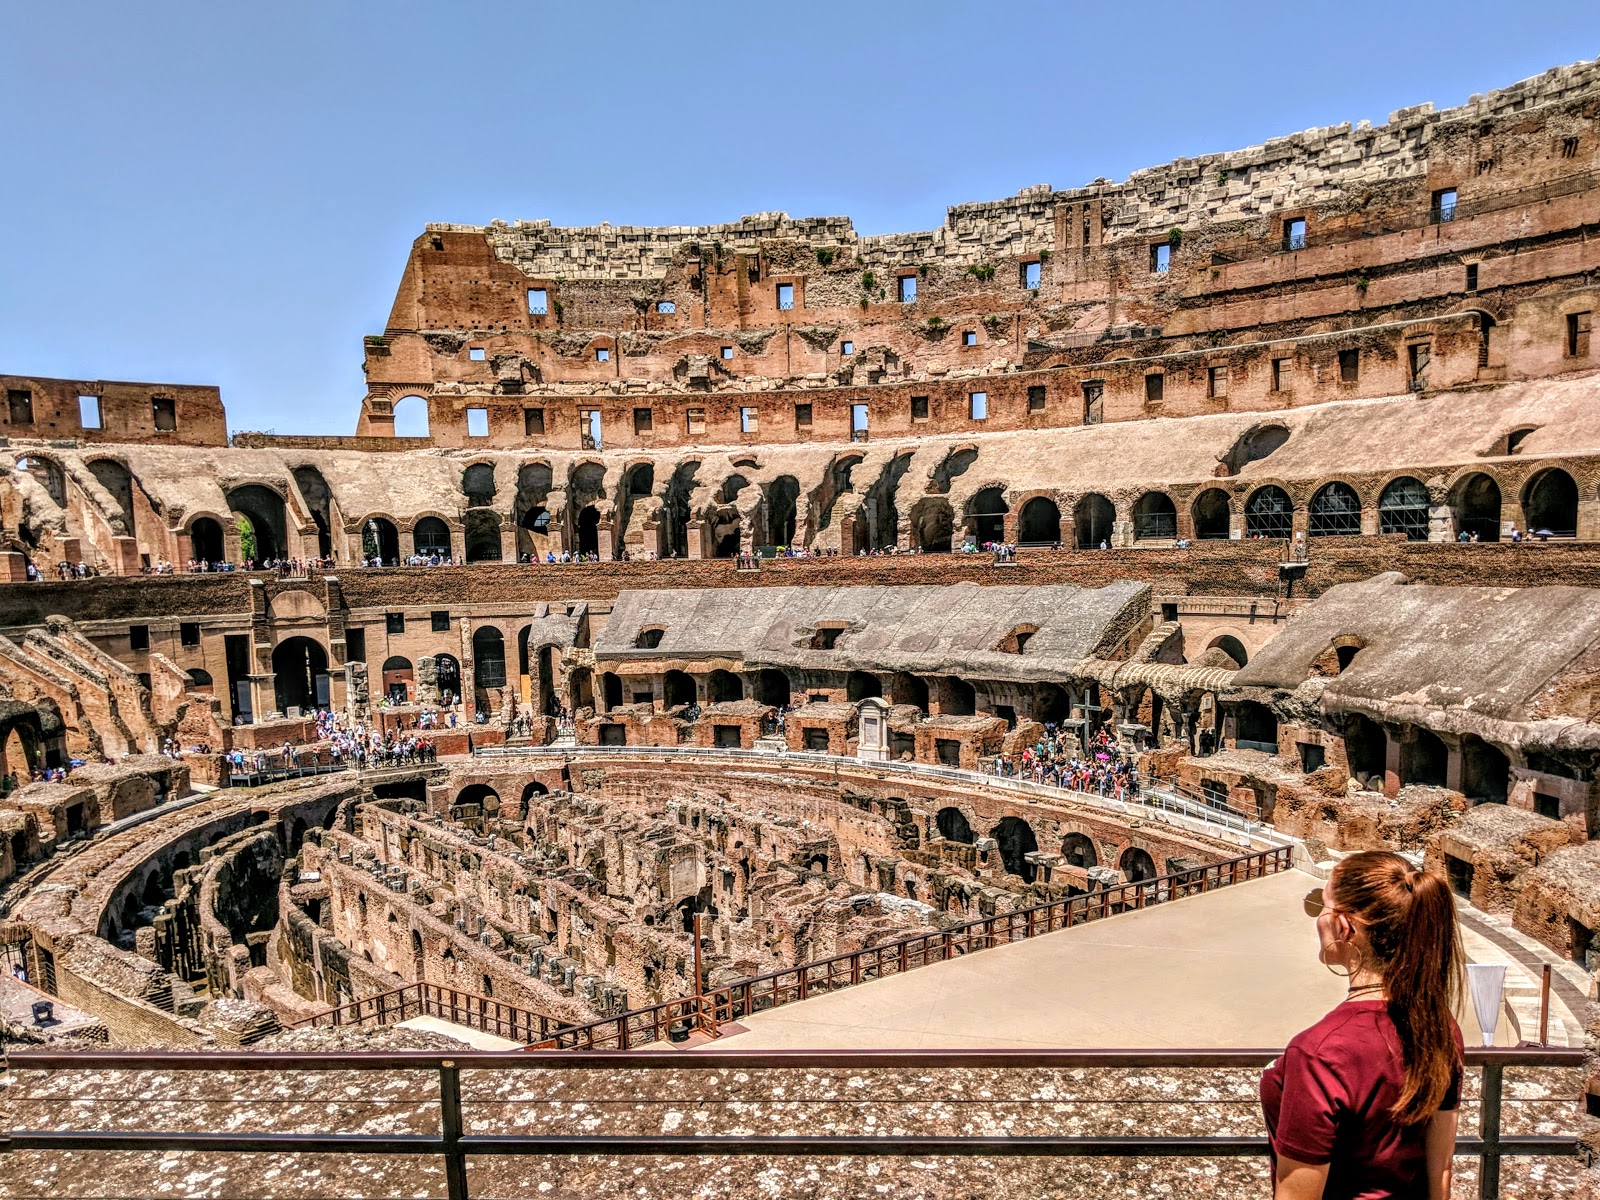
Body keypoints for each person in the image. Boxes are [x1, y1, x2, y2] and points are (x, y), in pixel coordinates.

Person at [1262, 851, 1464, 1200]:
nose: (1318, 918)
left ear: (1345, 927)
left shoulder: (1319, 1052)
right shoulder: (1440, 1027)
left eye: (1322, 906)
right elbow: (1440, 1174)